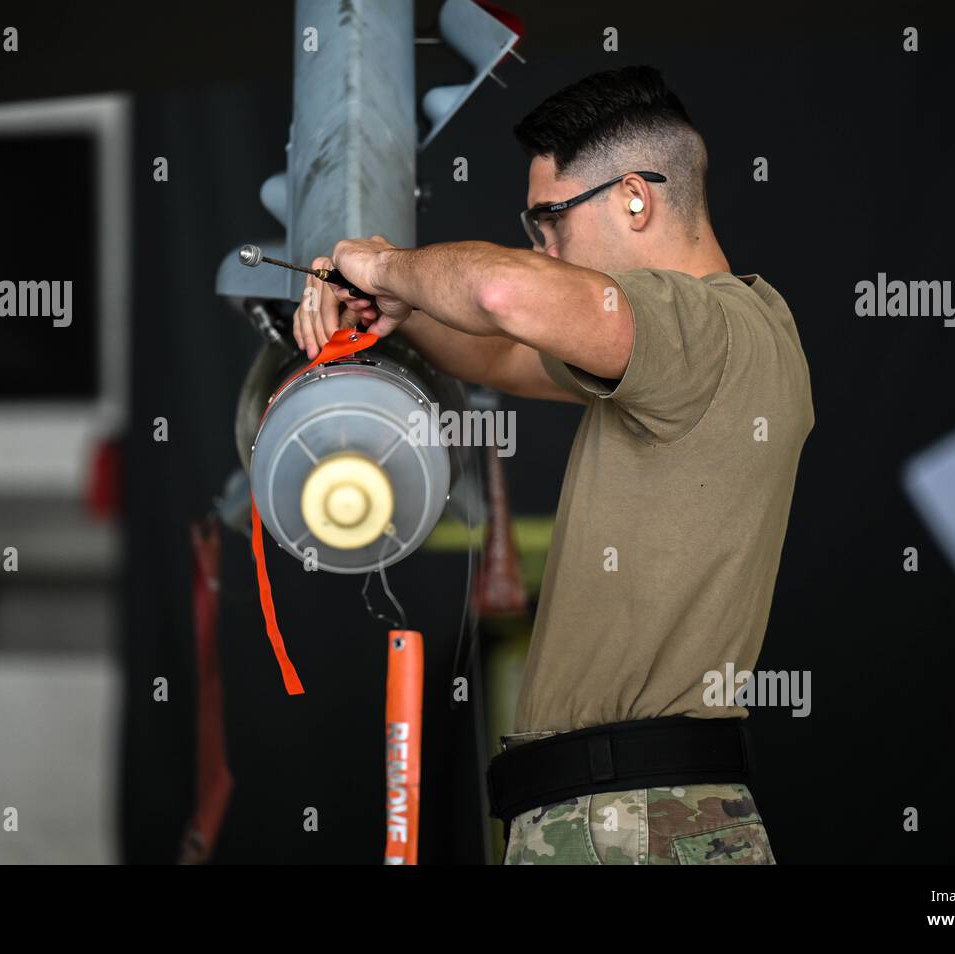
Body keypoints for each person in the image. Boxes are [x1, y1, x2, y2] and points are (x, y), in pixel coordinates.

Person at [292, 65, 813, 864]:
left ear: (636, 197)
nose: (547, 247)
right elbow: (504, 352)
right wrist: (404, 312)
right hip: (622, 816)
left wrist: (385, 266)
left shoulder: (701, 324)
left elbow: (506, 296)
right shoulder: (694, 346)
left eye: (550, 221)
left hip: (633, 820)